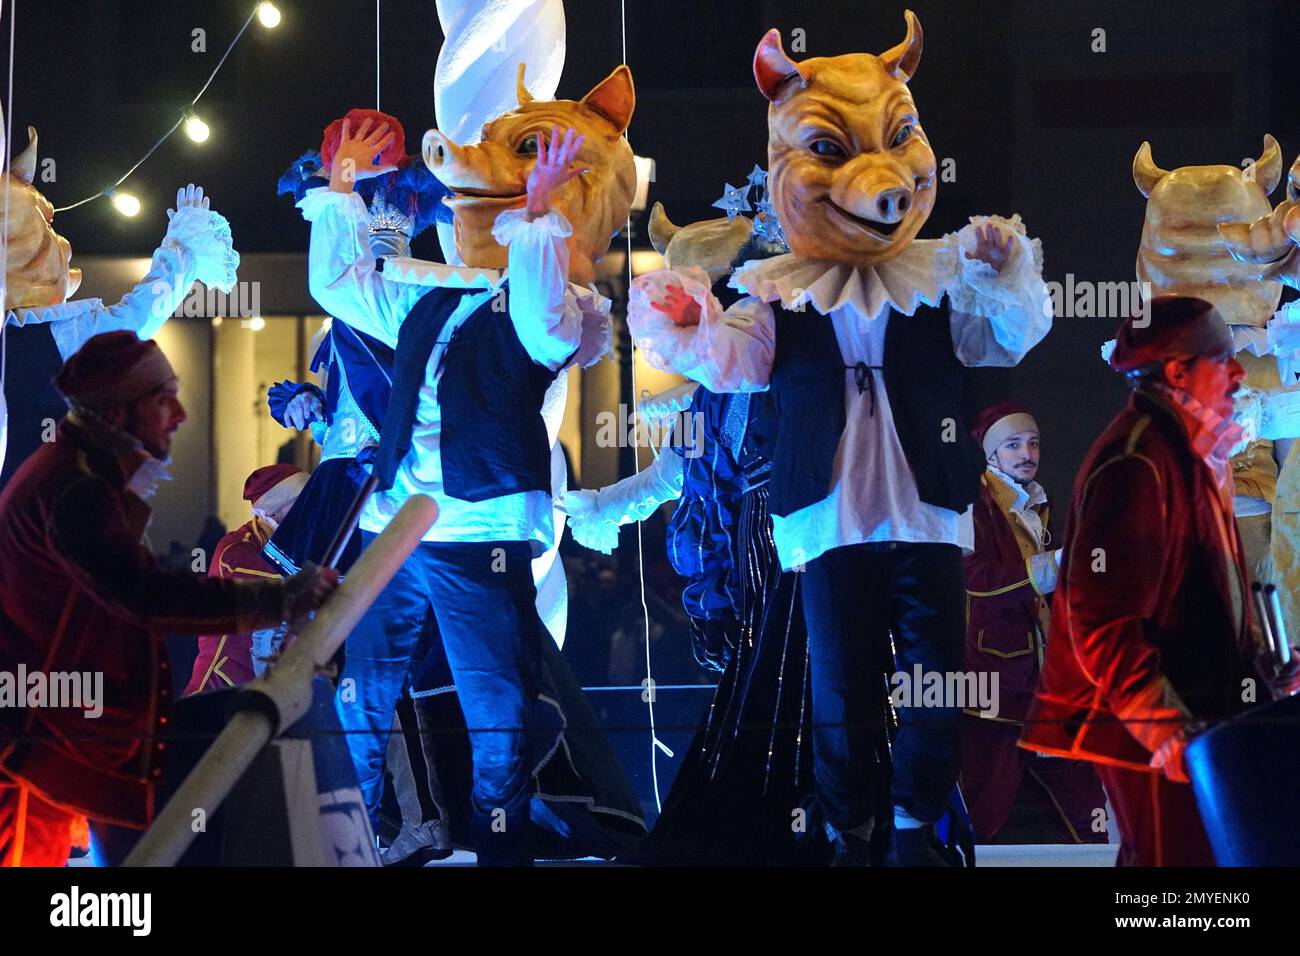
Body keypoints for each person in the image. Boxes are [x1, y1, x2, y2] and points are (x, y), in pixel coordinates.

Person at [303, 65, 638, 865]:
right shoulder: (426, 290)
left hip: (479, 525)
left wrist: (535, 215)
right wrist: (341, 185)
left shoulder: (558, 305)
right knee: (363, 688)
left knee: (494, 697)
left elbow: (541, 330)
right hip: (395, 528)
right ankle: (360, 833)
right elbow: (337, 285)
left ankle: (501, 833)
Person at [0, 332, 336, 866]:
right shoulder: (76, 487)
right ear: (117, 412)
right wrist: (279, 600)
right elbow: (143, 594)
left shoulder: (85, 475)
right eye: (162, 399)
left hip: (79, 732)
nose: (179, 415)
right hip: (48, 737)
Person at [1021, 295, 1300, 866]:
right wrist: (1164, 727)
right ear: (1179, 372)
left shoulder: (1189, 452)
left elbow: (1201, 603)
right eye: (1224, 358)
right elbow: (1102, 619)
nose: (1241, 373)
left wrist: (1260, 667)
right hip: (1155, 731)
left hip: (1200, 724)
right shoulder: (1136, 461)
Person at [960, 402, 1106, 845]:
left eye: (1033, 442)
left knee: (1086, 806)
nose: (1027, 452)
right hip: (992, 682)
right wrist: (1057, 564)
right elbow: (975, 580)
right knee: (979, 809)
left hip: (1042, 679)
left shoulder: (1033, 501)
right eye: (1014, 445)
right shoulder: (971, 503)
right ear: (990, 453)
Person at [184, 464, 309, 695]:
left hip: (261, 688)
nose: (310, 512)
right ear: (274, 509)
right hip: (220, 682)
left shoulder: (291, 548)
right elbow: (281, 585)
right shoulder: (235, 547)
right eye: (301, 504)